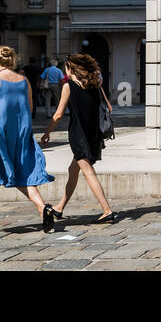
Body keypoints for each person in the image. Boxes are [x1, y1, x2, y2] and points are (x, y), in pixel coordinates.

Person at [0, 46, 56, 233]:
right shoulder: (24, 81)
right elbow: (30, 108)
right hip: (21, 133)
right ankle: (42, 207)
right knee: (23, 174)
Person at [41, 54, 116, 224]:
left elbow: (59, 114)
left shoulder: (69, 86)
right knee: (73, 170)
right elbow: (109, 108)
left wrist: (47, 133)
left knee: (88, 171)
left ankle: (107, 210)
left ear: (70, 68)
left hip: (79, 133)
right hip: (94, 133)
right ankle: (60, 207)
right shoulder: (96, 83)